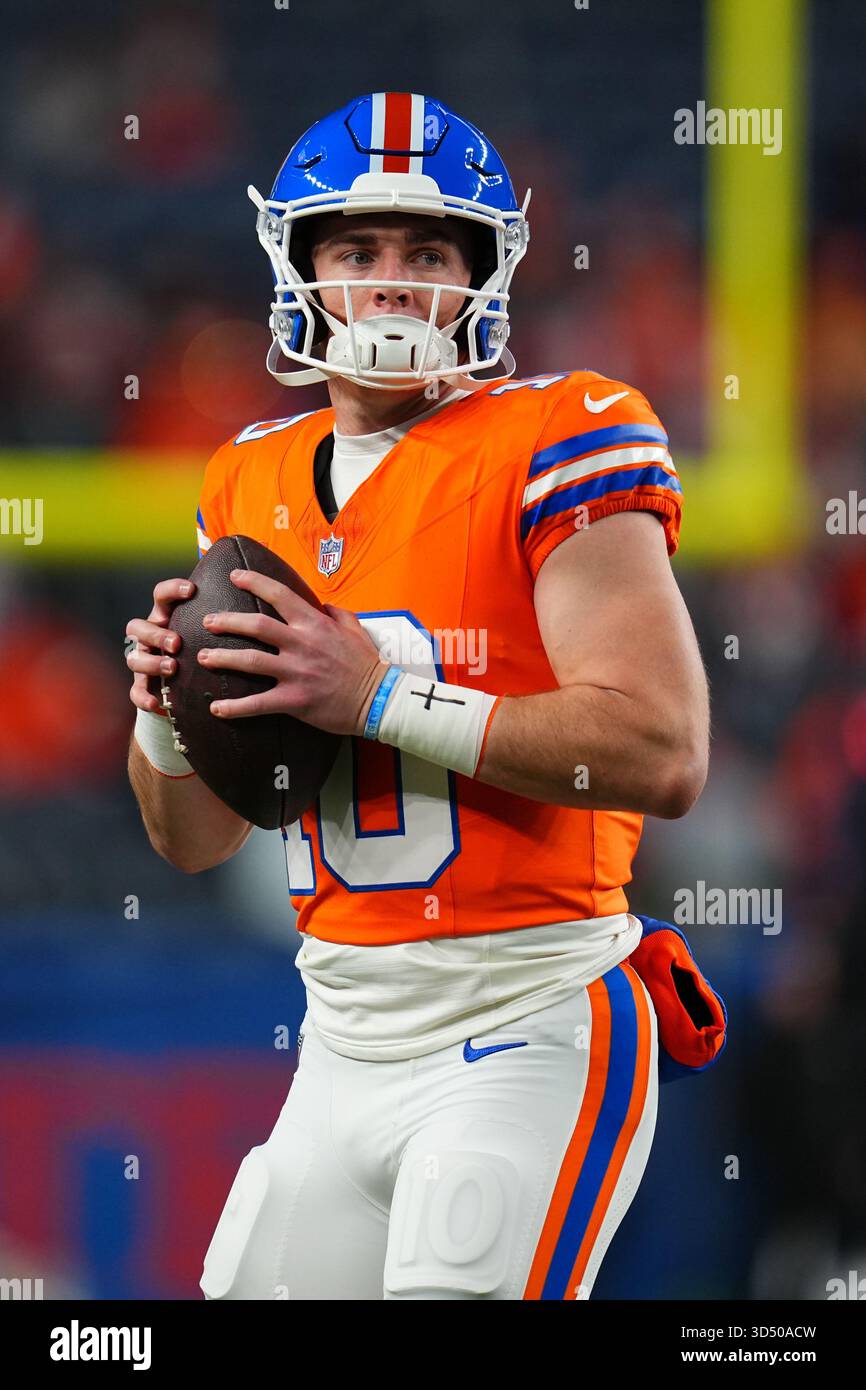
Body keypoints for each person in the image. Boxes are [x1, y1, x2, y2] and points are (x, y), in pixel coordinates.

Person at [126, 92, 712, 1300]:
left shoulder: (561, 432)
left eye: (427, 251)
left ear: (480, 274)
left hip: (527, 1013)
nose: (391, 282)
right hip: (335, 1038)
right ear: (305, 272)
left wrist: (380, 697)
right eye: (357, 250)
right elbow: (189, 840)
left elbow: (664, 752)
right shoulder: (247, 476)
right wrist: (160, 715)